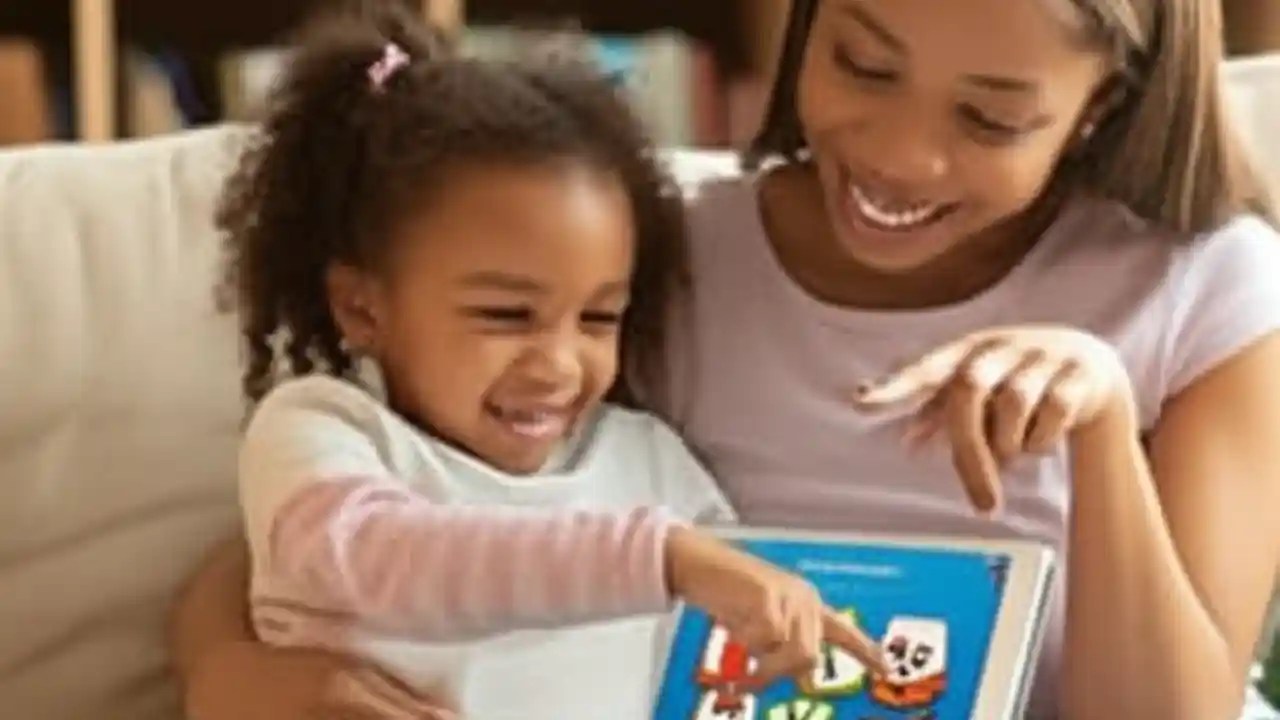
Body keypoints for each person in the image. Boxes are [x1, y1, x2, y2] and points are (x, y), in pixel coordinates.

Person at [172, 0, 1280, 717]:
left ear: (1096, 113)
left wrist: (1096, 419)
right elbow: (351, 527)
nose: (898, 156)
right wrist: (225, 667)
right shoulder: (661, 267)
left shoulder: (1204, 287)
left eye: (990, 120)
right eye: (861, 62)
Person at [187, 3, 884, 718]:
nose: (558, 364)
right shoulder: (322, 430)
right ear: (363, 308)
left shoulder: (646, 460)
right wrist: (663, 559)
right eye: (506, 315)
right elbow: (380, 561)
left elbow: (732, 625)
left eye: (599, 318)